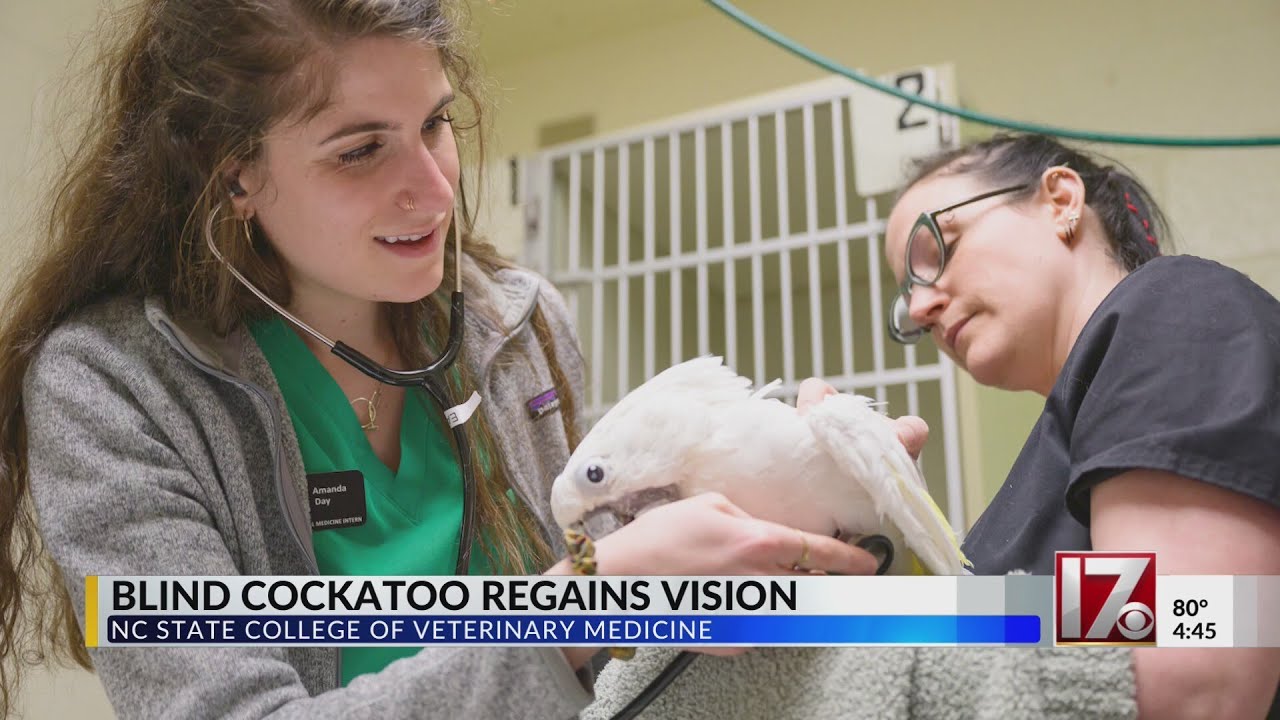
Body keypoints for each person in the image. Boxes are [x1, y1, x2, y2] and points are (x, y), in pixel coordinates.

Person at [0, 1, 879, 718]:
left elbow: (629, 621)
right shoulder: (111, 386)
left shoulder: (519, 324)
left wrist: (786, 513)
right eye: (360, 151)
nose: (432, 187)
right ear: (233, 176)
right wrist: (589, 601)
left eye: (435, 124)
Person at [882, 133, 1280, 718]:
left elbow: (1189, 655)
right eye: (908, 294)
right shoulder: (1058, 446)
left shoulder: (1171, 304)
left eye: (937, 250)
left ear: (1061, 200)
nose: (920, 309)